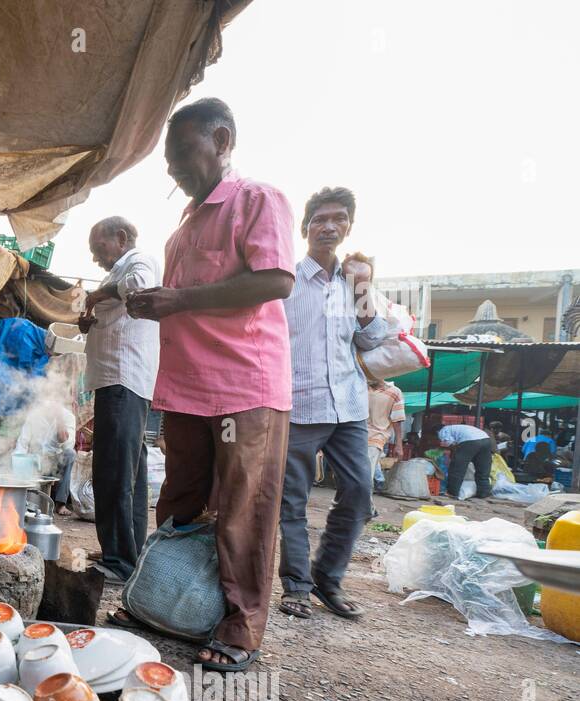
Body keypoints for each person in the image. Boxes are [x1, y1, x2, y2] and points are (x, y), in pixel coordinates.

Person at [124, 98, 295, 671]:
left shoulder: (256, 199)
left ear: (221, 141)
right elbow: (184, 305)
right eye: (168, 161)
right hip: (186, 387)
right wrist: (154, 306)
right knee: (178, 502)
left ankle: (241, 627)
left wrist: (178, 300)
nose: (173, 169)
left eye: (181, 155)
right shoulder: (185, 226)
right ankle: (162, 603)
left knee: (244, 509)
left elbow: (275, 279)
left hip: (244, 386)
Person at [276, 194, 386, 621]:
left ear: (348, 227)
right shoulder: (286, 281)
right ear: (305, 228)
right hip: (299, 404)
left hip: (349, 407)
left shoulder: (353, 281)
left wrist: (363, 286)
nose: (329, 226)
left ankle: (328, 578)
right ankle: (298, 587)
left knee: (359, 492)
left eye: (339, 219)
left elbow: (372, 337)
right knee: (293, 501)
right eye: (320, 219)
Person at [77, 216, 161, 583]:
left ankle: (118, 561)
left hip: (123, 381)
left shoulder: (139, 261)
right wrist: (90, 321)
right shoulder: (121, 268)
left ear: (121, 237)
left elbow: (138, 288)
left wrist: (97, 296)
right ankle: (127, 553)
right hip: (122, 382)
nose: (97, 258)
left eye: (100, 248)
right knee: (130, 473)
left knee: (112, 472)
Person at [15, 400, 77, 513]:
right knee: (19, 456)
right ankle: (24, 498)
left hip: (55, 463)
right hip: (35, 462)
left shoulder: (68, 417)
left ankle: (60, 504)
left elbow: (68, 445)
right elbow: (22, 442)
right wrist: (17, 462)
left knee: (70, 454)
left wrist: (60, 422)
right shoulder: (34, 415)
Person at [366, 377, 406, 487]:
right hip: (355, 435)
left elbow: (397, 420)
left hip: (376, 437)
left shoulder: (395, 392)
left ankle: (365, 503)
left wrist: (399, 445)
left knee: (366, 473)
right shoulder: (362, 387)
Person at [438, 423, 494, 497]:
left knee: (457, 467)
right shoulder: (458, 427)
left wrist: (451, 454)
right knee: (483, 468)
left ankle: (452, 492)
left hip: (470, 441)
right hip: (486, 439)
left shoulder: (443, 430)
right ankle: (484, 492)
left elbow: (449, 442)